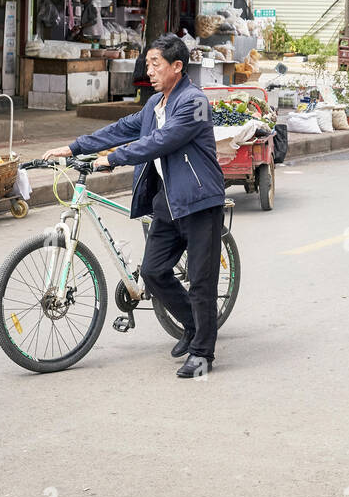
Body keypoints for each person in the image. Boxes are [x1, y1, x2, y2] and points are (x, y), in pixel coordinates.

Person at [42, 34, 226, 378]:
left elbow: (161, 141)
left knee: (201, 282)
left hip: (199, 201)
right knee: (154, 273)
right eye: (148, 62)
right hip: (167, 203)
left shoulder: (195, 102)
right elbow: (121, 129)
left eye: (156, 63)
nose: (149, 69)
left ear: (177, 67)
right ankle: (193, 324)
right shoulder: (154, 104)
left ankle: (203, 352)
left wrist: (110, 161)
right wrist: (73, 148)